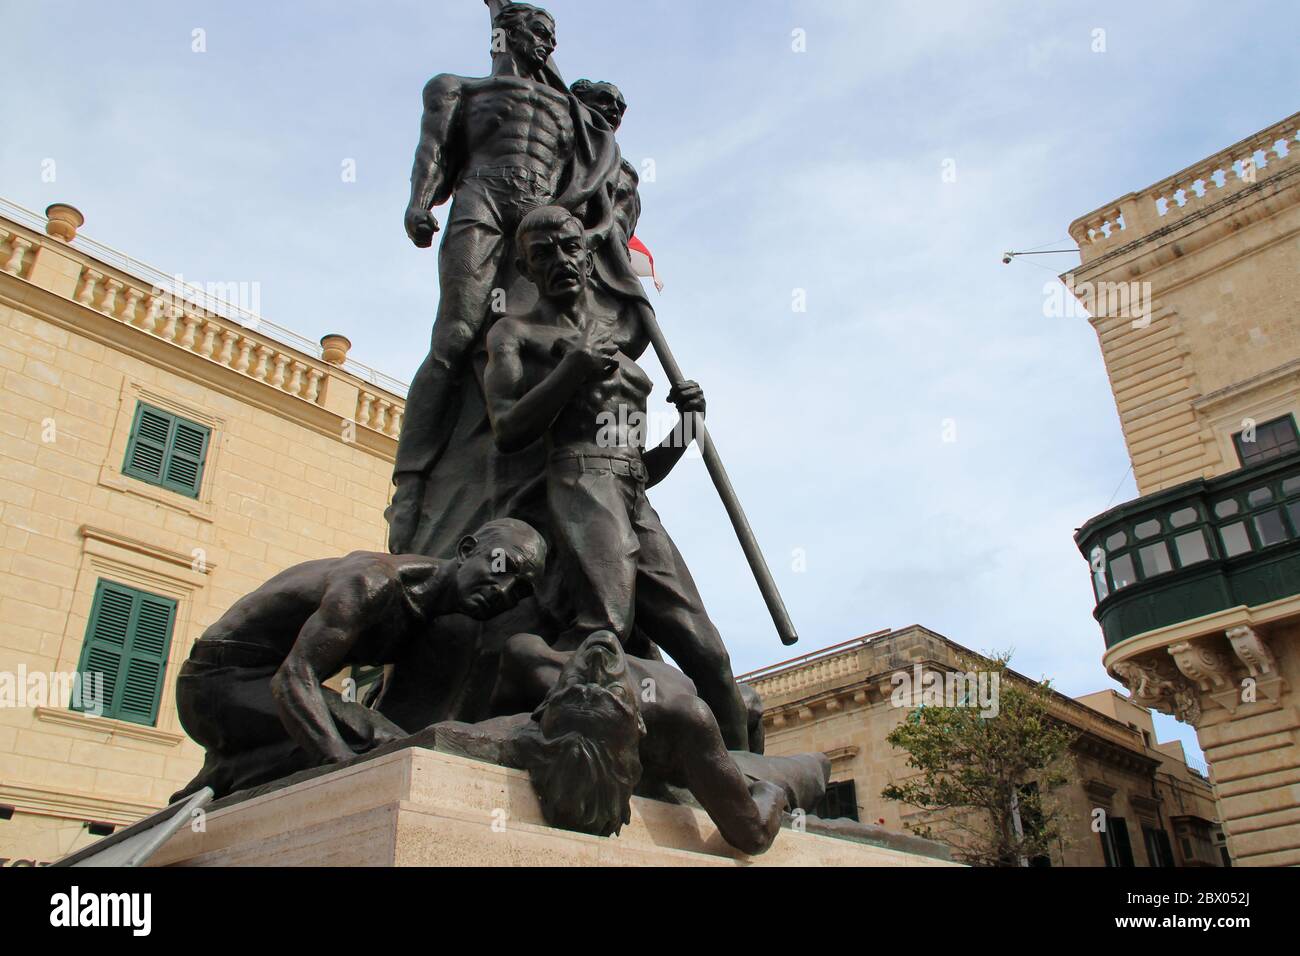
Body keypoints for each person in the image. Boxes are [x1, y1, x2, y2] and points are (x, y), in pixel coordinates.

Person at [483, 205, 750, 749]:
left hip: (632, 494)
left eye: (568, 247)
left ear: (586, 255)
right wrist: (572, 370)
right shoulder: (516, 334)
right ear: (526, 269)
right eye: (541, 254)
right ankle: (531, 710)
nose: (558, 259)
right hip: (579, 483)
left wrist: (686, 428)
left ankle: (746, 771)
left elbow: (639, 469)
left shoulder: (620, 347)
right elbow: (508, 429)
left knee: (709, 652)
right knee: (604, 629)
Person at [171, 519, 546, 800]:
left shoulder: (433, 615)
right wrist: (344, 771)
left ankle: (225, 772)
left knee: (382, 737)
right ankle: (225, 771)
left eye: (521, 590)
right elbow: (292, 679)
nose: (505, 591)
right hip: (216, 683)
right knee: (374, 739)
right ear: (467, 550)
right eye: (502, 566)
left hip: (266, 687)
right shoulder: (374, 582)